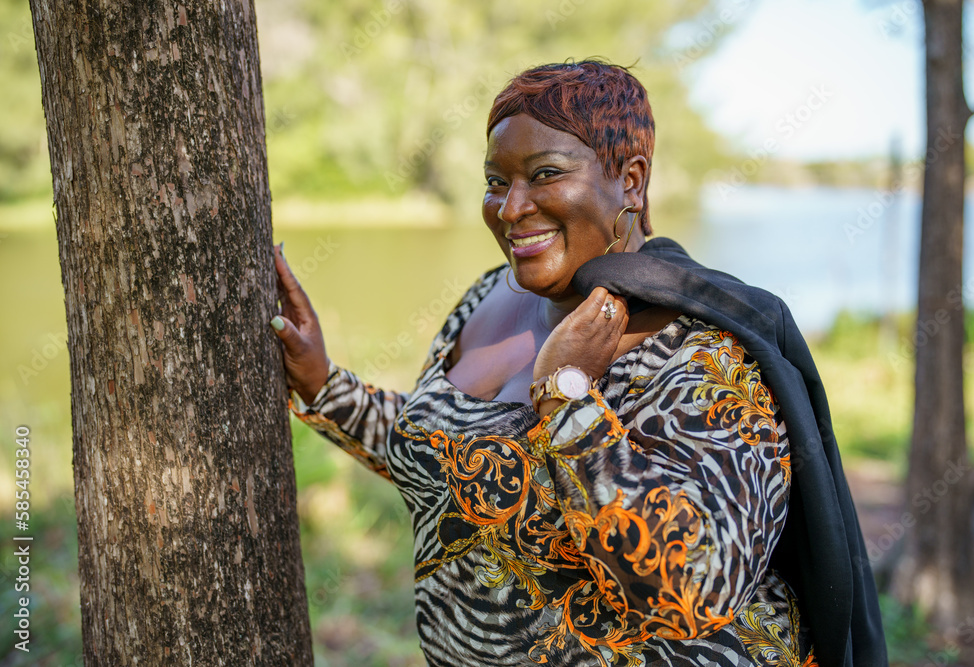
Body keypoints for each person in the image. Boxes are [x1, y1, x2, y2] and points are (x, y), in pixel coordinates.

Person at [269, 60, 887, 667]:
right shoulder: (491, 297)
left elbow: (697, 585)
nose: (511, 208)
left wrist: (567, 398)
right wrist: (325, 386)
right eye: (495, 182)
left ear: (633, 182)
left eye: (544, 174)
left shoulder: (705, 349)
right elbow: (455, 457)